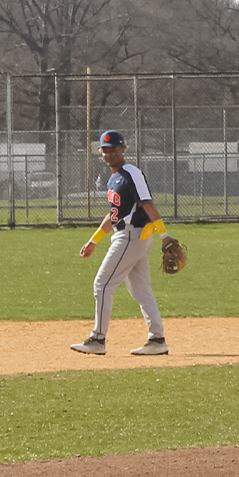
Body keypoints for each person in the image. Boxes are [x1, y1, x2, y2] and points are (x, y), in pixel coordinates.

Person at [72, 130, 171, 355]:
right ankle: (157, 340)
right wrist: (93, 240)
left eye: (114, 149)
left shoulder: (131, 173)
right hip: (126, 235)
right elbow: (114, 215)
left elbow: (147, 204)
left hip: (132, 236)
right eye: (105, 150)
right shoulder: (113, 178)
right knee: (141, 290)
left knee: (102, 284)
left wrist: (165, 236)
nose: (109, 154)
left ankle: (97, 339)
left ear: (123, 149)